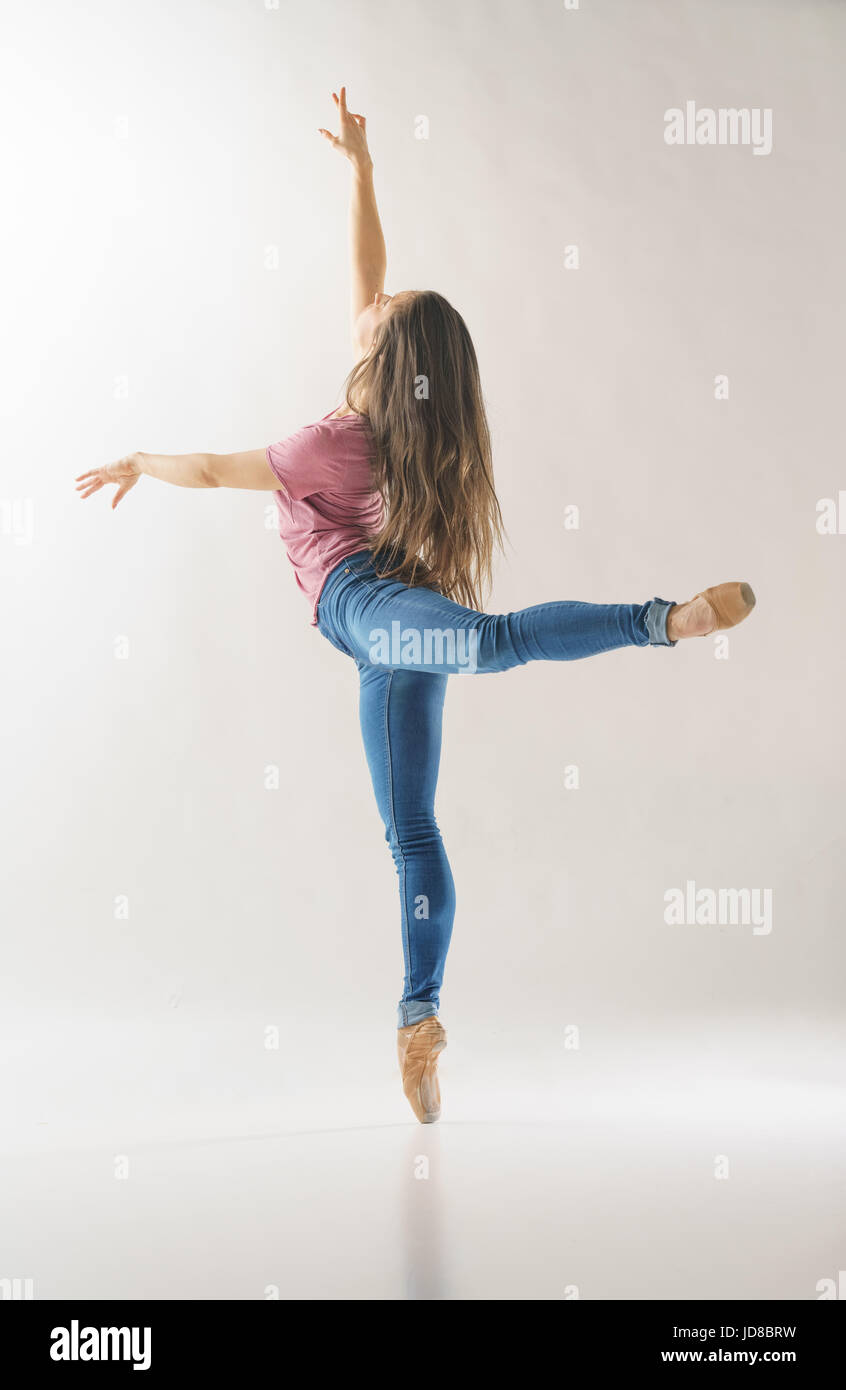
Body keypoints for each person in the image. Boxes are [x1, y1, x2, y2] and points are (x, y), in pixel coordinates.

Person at [76, 88, 756, 1125]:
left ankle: (661, 620)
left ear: (389, 358)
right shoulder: (398, 411)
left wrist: (139, 459)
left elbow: (216, 472)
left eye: (383, 317)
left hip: (363, 602)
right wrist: (361, 170)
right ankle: (417, 1021)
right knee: (410, 827)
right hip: (394, 618)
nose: (371, 306)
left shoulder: (330, 441)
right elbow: (370, 273)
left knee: (497, 645)